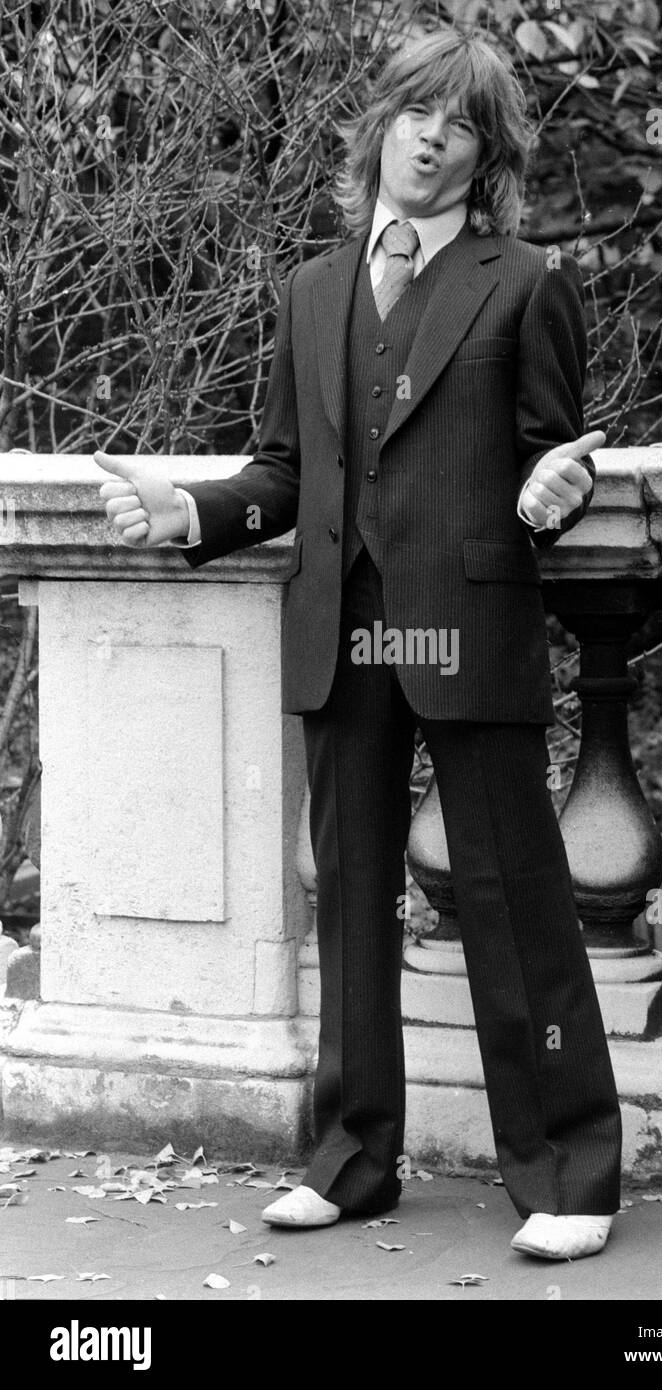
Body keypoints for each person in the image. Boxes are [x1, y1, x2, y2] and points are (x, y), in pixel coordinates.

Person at [96, 29, 622, 1262]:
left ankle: (570, 1175)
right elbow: (284, 468)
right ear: (379, 125)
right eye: (414, 112)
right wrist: (192, 514)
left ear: (483, 156)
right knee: (349, 904)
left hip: (468, 624)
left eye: (460, 124)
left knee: (514, 903)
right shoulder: (314, 288)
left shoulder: (525, 281)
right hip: (339, 628)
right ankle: (350, 1156)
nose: (430, 136)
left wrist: (554, 491)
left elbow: (557, 451)